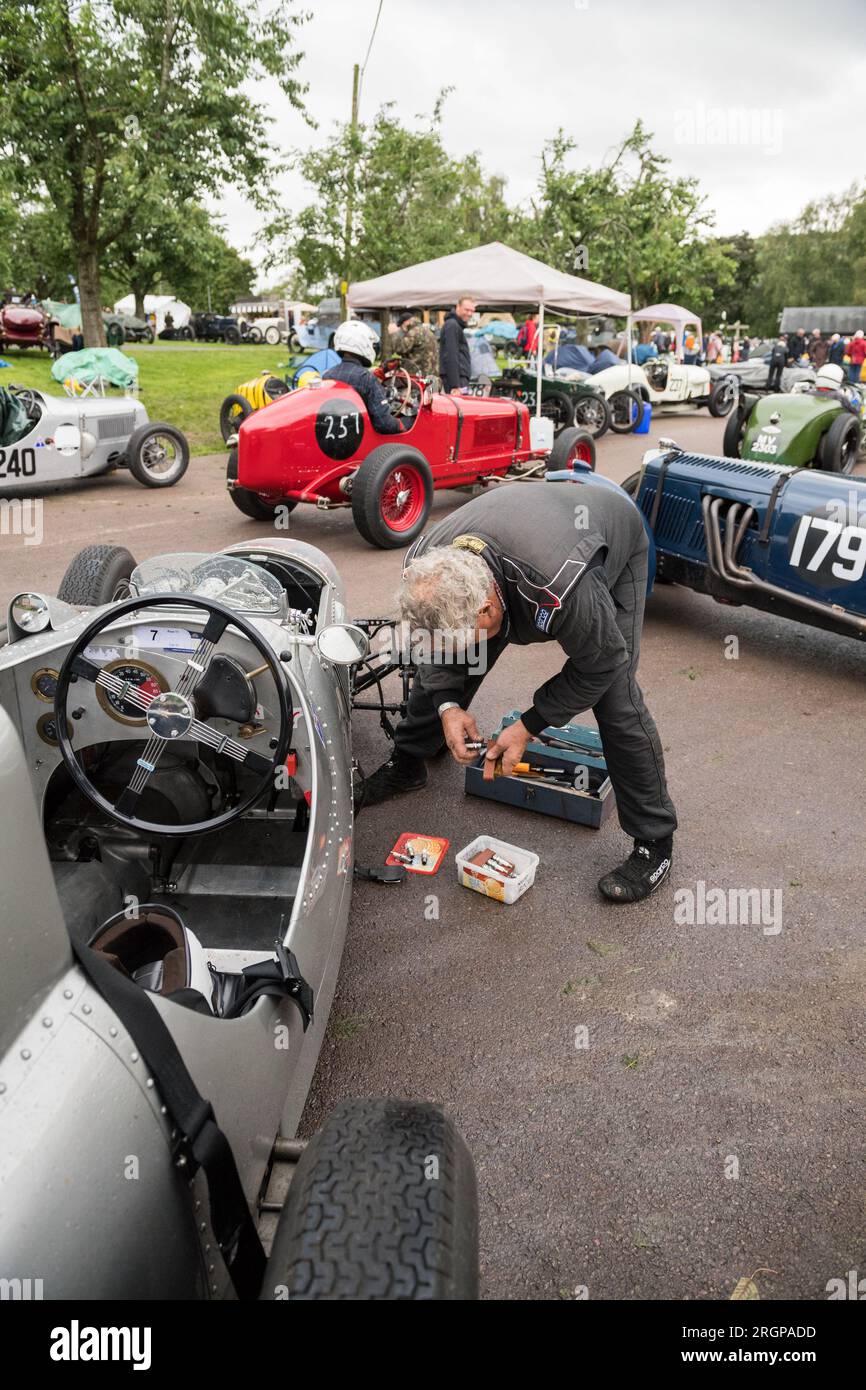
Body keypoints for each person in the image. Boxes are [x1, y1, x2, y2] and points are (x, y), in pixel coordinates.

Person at [359, 482, 678, 905]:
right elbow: (434, 644)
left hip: (607, 538)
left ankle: (653, 845)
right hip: (515, 549)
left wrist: (529, 725)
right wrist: (447, 707)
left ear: (489, 609)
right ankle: (408, 763)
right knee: (450, 659)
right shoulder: (425, 568)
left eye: (470, 632)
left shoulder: (560, 587)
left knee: (616, 697)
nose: (461, 647)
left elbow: (600, 664)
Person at [323, 320, 404, 434]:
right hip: (364, 438)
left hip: (338, 435)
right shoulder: (365, 378)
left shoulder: (327, 375)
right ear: (362, 343)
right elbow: (385, 424)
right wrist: (403, 424)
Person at [439, 296, 475, 393]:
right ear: (457, 307)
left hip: (459, 378)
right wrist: (455, 385)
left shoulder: (455, 325)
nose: (469, 313)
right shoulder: (452, 325)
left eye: (472, 311)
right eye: (466, 310)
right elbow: (451, 355)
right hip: (457, 380)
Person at [389, 310, 438, 379]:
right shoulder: (427, 330)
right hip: (432, 372)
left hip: (419, 372)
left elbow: (400, 349)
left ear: (406, 322)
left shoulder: (414, 332)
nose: (403, 330)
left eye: (401, 326)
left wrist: (393, 333)